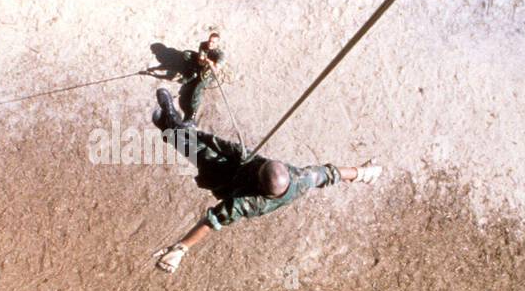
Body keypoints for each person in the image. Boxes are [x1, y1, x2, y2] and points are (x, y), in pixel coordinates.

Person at [150, 87, 381, 274]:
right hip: (242, 163)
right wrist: (362, 174)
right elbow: (330, 173)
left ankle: (168, 122)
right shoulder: (300, 178)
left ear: (261, 186)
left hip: (224, 178)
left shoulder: (246, 202)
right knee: (210, 141)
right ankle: (173, 123)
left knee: (192, 146)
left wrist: (181, 248)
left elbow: (211, 222)